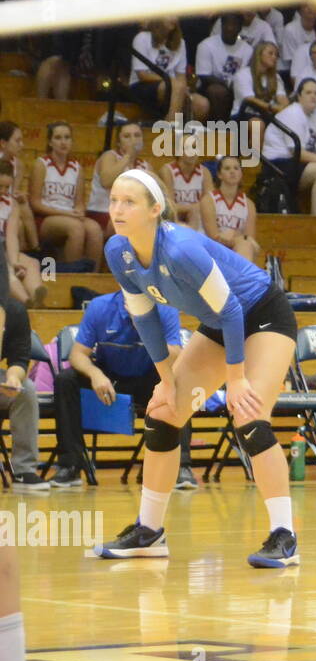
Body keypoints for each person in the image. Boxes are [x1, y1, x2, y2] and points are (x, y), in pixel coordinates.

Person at [94, 169, 302, 567]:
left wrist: (237, 379)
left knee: (250, 417)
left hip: (262, 316)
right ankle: (149, 531)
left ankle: (284, 535)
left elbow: (232, 310)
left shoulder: (180, 249)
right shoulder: (117, 251)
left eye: (129, 202)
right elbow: (145, 319)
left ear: (156, 210)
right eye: (114, 200)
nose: (117, 209)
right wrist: (167, 381)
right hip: (221, 323)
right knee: (164, 412)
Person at [50, 290, 198, 490]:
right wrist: (95, 374)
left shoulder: (166, 308)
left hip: (149, 379)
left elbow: (175, 358)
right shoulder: (100, 306)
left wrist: (145, 327)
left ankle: (181, 467)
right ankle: (70, 465)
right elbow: (77, 354)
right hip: (110, 379)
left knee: (178, 383)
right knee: (65, 380)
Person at [262, 78, 316, 215]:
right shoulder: (293, 113)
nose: (313, 96)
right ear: (299, 96)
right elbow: (299, 154)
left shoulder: (315, 116)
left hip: (297, 164)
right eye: (308, 92)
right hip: (277, 165)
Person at [31, 121, 104, 265]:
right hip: (45, 218)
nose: (63, 142)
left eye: (67, 137)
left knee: (95, 230)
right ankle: (72, 276)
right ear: (50, 142)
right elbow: (35, 203)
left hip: (69, 215)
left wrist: (79, 211)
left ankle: (89, 279)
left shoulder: (77, 168)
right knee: (76, 227)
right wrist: (68, 214)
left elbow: (79, 203)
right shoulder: (41, 164)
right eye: (58, 138)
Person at [0, 299, 43, 494]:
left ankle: (23, 470)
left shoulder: (13, 310)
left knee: (25, 389)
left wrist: (13, 378)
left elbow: (19, 358)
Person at [130, 19, 206, 121]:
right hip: (142, 85)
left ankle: (191, 132)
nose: (173, 18)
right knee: (177, 86)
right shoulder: (142, 38)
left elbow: (181, 76)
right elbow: (142, 74)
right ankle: (171, 127)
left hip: (173, 86)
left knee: (202, 104)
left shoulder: (181, 43)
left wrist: (182, 89)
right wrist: (172, 82)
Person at [87, 121, 151, 235]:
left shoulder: (145, 165)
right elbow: (106, 181)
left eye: (137, 135)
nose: (133, 140)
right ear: (118, 142)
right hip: (102, 212)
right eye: (127, 136)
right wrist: (127, 157)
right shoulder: (110, 156)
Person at [0, 160, 45, 305]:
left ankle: (36, 296)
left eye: (7, 187)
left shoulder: (11, 203)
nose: (3, 191)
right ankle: (25, 301)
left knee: (31, 263)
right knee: (5, 269)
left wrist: (15, 262)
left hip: (4, 247)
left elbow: (11, 235)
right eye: (0, 186)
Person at [195, 13, 252, 120]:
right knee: (218, 91)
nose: (230, 28)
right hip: (209, 87)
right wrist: (227, 84)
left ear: (240, 28)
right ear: (221, 25)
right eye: (227, 24)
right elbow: (204, 76)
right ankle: (219, 130)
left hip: (237, 88)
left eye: (234, 25)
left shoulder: (248, 49)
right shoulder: (206, 45)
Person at [208, 155, 260, 263]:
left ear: (241, 174)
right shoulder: (209, 200)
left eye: (236, 168)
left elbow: (249, 238)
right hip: (214, 249)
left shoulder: (249, 204)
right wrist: (234, 236)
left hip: (238, 248)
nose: (232, 171)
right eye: (227, 168)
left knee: (247, 245)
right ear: (219, 174)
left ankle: (243, 277)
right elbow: (212, 236)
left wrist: (233, 237)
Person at [0, 122, 40, 260]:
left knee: (22, 205)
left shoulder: (18, 165)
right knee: (19, 223)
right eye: (17, 141)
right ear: (3, 143)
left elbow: (12, 191)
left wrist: (18, 195)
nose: (21, 145)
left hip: (7, 205)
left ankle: (33, 251)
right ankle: (32, 252)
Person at [162, 150, 214, 235]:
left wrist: (191, 210)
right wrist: (191, 208)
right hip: (174, 218)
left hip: (197, 220)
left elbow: (211, 205)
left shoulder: (205, 172)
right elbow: (170, 206)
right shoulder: (167, 171)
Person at [232, 40, 288, 117]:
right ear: (259, 54)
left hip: (268, 115)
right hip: (243, 115)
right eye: (270, 53)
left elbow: (281, 97)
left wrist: (285, 108)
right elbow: (250, 100)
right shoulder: (243, 74)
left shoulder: (276, 77)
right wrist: (273, 108)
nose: (274, 57)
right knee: (257, 124)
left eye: (276, 55)